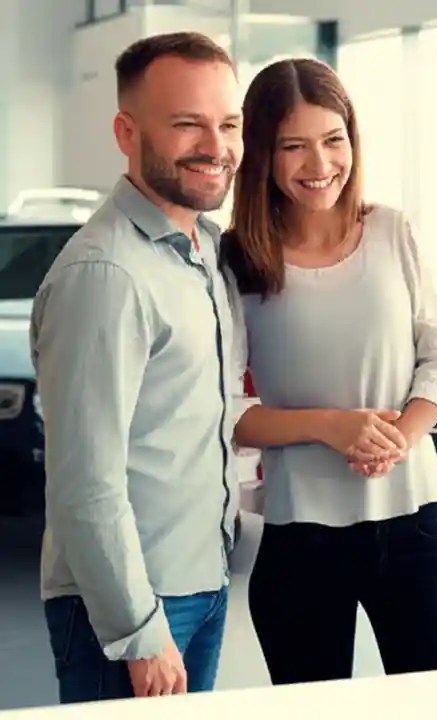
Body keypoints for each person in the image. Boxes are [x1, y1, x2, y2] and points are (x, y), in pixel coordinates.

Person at [219, 57, 437, 685]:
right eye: (294, 146)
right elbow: (225, 410)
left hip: (415, 523)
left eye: (334, 140)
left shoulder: (392, 231)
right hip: (299, 536)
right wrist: (331, 426)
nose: (320, 164)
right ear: (261, 152)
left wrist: (399, 440)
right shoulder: (236, 260)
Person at [30, 32, 243, 703]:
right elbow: (86, 481)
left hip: (200, 582)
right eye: (187, 125)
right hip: (131, 609)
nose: (216, 146)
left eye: (228, 124)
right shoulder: (107, 274)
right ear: (127, 132)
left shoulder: (200, 248)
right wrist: (140, 630)